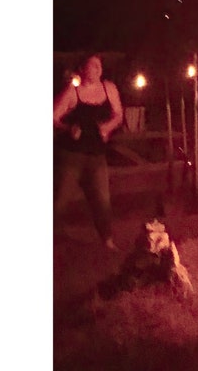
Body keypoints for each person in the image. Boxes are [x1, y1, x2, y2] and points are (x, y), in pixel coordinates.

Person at [53, 54, 124, 249]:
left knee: (102, 200)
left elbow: (118, 114)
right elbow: (53, 116)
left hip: (96, 155)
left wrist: (107, 127)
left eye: (99, 65)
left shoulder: (108, 88)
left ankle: (107, 241)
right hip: (72, 156)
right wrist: (68, 128)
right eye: (92, 65)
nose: (97, 68)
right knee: (60, 201)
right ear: (83, 69)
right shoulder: (72, 92)